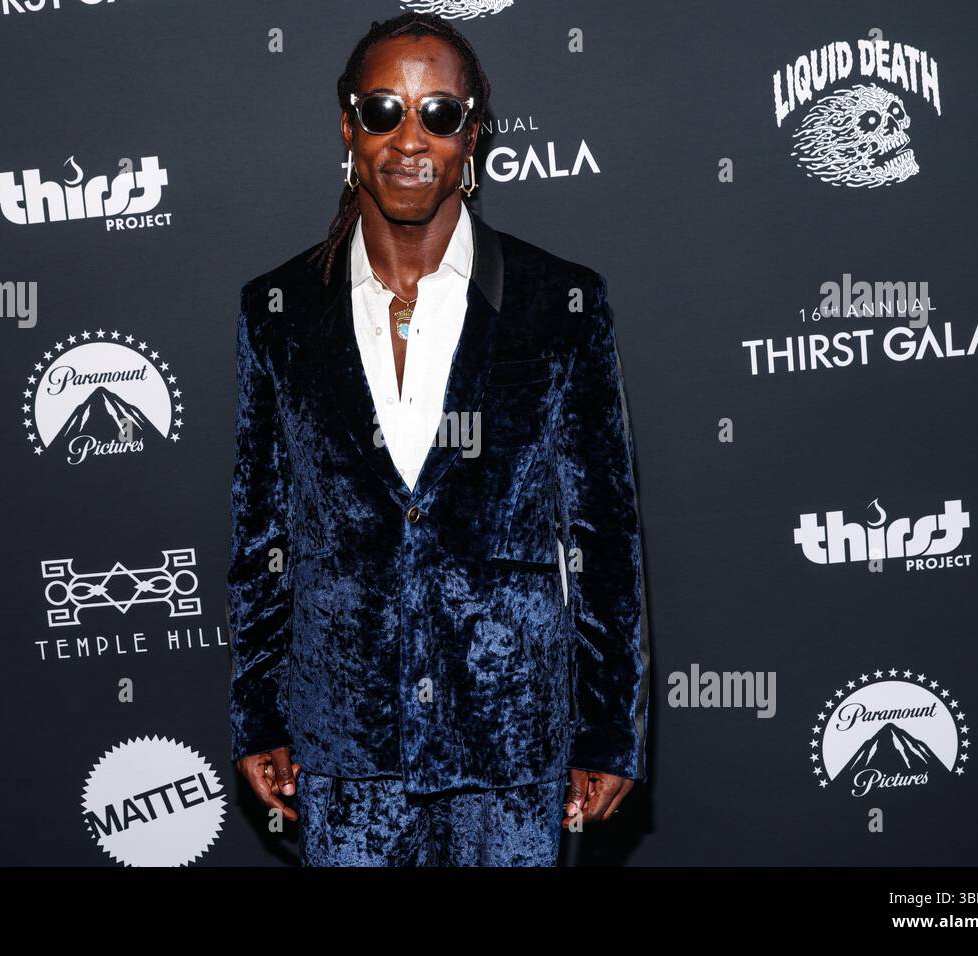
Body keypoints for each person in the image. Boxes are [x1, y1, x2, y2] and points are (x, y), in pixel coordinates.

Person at [227, 11, 649, 866]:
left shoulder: (558, 301)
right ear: (348, 127)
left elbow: (604, 535)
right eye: (382, 110)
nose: (408, 138)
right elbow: (260, 532)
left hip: (509, 743)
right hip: (344, 747)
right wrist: (259, 711)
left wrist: (609, 729)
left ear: (474, 136)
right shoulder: (277, 310)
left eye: (439, 114)